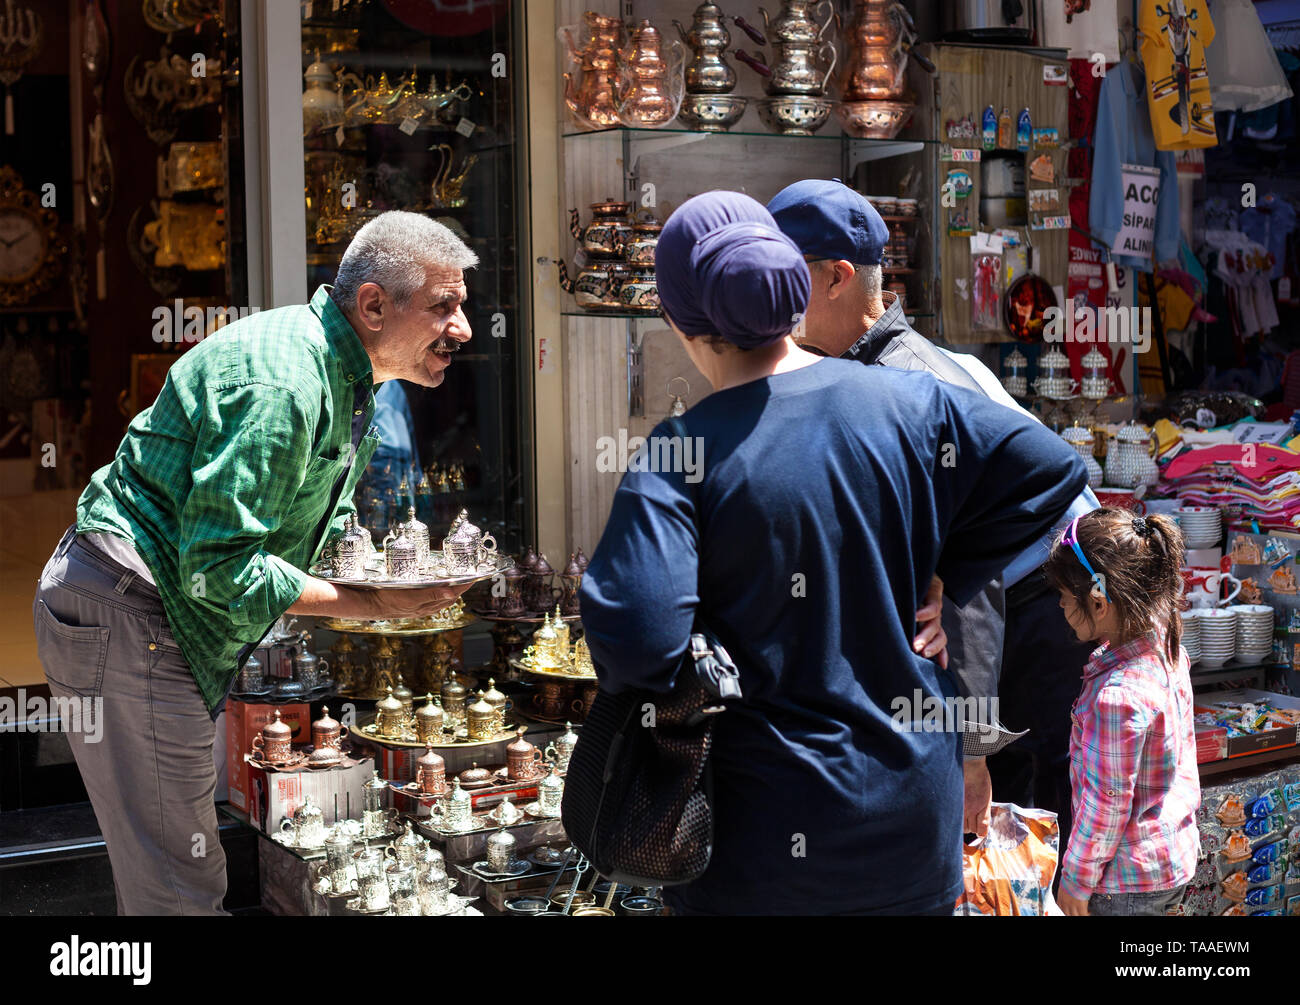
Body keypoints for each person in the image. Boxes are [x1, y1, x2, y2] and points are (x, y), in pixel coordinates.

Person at [578, 190, 1089, 915]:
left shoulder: (681, 451)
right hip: (912, 828)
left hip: (764, 844)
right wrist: (950, 572)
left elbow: (638, 640)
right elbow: (1054, 469)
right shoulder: (911, 403)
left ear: (676, 319)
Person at [32, 211, 477, 914]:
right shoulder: (286, 383)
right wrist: (375, 603)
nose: (464, 329)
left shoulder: (339, 371)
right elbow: (219, 566)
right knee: (180, 889)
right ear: (371, 305)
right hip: (133, 615)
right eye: (444, 305)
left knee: (171, 877)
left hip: (151, 620)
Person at [768, 179, 1098, 851]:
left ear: (835, 278)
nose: (771, 297)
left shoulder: (911, 385)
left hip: (1047, 604)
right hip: (1025, 604)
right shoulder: (861, 369)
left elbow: (971, 586)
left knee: (1016, 832)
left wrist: (972, 749)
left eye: (783, 276)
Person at [1042, 510, 1200, 916]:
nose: (1059, 605)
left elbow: (1105, 804)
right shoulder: (1168, 648)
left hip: (1123, 883)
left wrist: (1075, 882)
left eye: (1062, 595)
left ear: (1097, 601)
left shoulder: (1118, 696)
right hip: (1170, 858)